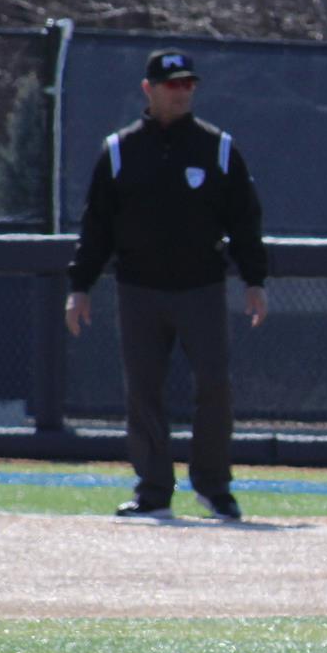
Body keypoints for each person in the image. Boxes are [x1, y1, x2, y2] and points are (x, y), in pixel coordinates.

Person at [65, 49, 269, 521]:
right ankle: (153, 489)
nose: (183, 92)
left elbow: (244, 219)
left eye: (188, 84)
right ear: (148, 89)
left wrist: (254, 279)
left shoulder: (217, 148)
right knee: (144, 390)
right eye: (173, 84)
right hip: (139, 289)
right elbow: (96, 225)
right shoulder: (119, 151)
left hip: (201, 287)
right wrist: (80, 286)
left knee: (214, 386)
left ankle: (214, 487)